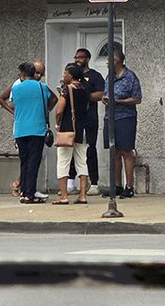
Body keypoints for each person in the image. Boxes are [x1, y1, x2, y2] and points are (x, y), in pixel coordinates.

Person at [0, 59, 56, 198]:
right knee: (33, 162)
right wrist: (46, 110)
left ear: (23, 75)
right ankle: (30, 192)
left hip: (20, 129)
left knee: (24, 161)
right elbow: (54, 98)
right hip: (37, 129)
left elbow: (11, 103)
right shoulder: (42, 87)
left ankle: (24, 191)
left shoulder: (16, 88)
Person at [102, 45, 142, 199]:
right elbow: (106, 94)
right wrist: (105, 99)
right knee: (114, 151)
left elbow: (137, 99)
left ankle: (129, 186)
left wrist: (119, 101)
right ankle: (117, 186)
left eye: (109, 60)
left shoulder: (130, 77)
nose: (107, 63)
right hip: (110, 117)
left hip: (125, 118)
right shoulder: (109, 77)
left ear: (117, 60)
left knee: (126, 151)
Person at [68, 48, 104, 195]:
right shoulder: (71, 75)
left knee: (90, 148)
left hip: (90, 118)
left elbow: (101, 94)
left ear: (88, 59)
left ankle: (94, 183)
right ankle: (70, 183)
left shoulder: (95, 76)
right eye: (76, 57)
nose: (78, 60)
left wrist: (85, 96)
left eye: (81, 57)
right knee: (71, 147)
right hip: (73, 118)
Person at [53, 63, 90, 205]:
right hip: (81, 129)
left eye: (65, 73)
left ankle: (63, 196)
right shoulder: (85, 88)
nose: (63, 75)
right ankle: (82, 195)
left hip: (67, 129)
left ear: (71, 75)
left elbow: (59, 110)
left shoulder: (66, 89)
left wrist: (57, 123)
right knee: (82, 161)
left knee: (63, 161)